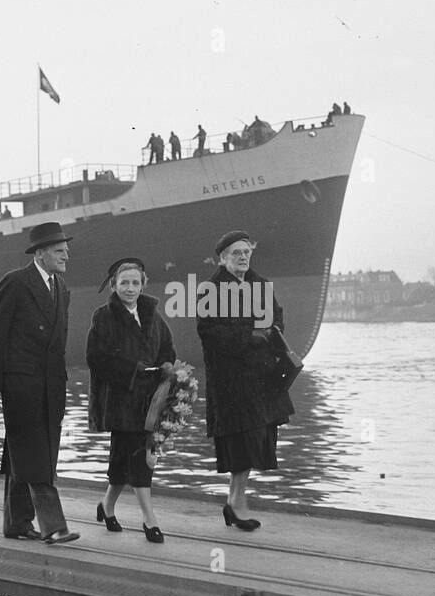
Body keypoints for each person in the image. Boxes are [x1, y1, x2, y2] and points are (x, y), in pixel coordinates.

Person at [0, 221, 79, 545]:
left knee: (28, 452)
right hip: (21, 384)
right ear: (41, 253)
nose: (67, 256)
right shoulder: (16, 282)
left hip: (51, 386)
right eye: (60, 251)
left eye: (66, 250)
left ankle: (16, 523)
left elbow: (58, 342)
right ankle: (54, 526)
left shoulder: (61, 289)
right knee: (35, 454)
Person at [197, 230, 294, 530]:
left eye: (246, 251)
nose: (243, 257)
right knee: (243, 441)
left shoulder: (261, 285)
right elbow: (209, 331)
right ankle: (236, 504)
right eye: (236, 253)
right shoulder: (209, 290)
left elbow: (277, 319)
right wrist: (250, 336)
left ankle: (235, 502)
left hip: (261, 379)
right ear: (223, 257)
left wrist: (269, 333)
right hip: (232, 381)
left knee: (255, 440)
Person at [86, 257, 176, 544]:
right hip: (121, 399)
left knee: (123, 460)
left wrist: (166, 366)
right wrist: (132, 370)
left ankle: (107, 506)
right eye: (124, 283)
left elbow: (167, 348)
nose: (130, 288)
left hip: (149, 400)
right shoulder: (104, 316)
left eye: (135, 282)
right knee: (140, 459)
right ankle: (150, 521)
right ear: (114, 285)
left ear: (143, 284)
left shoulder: (152, 313)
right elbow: (96, 358)